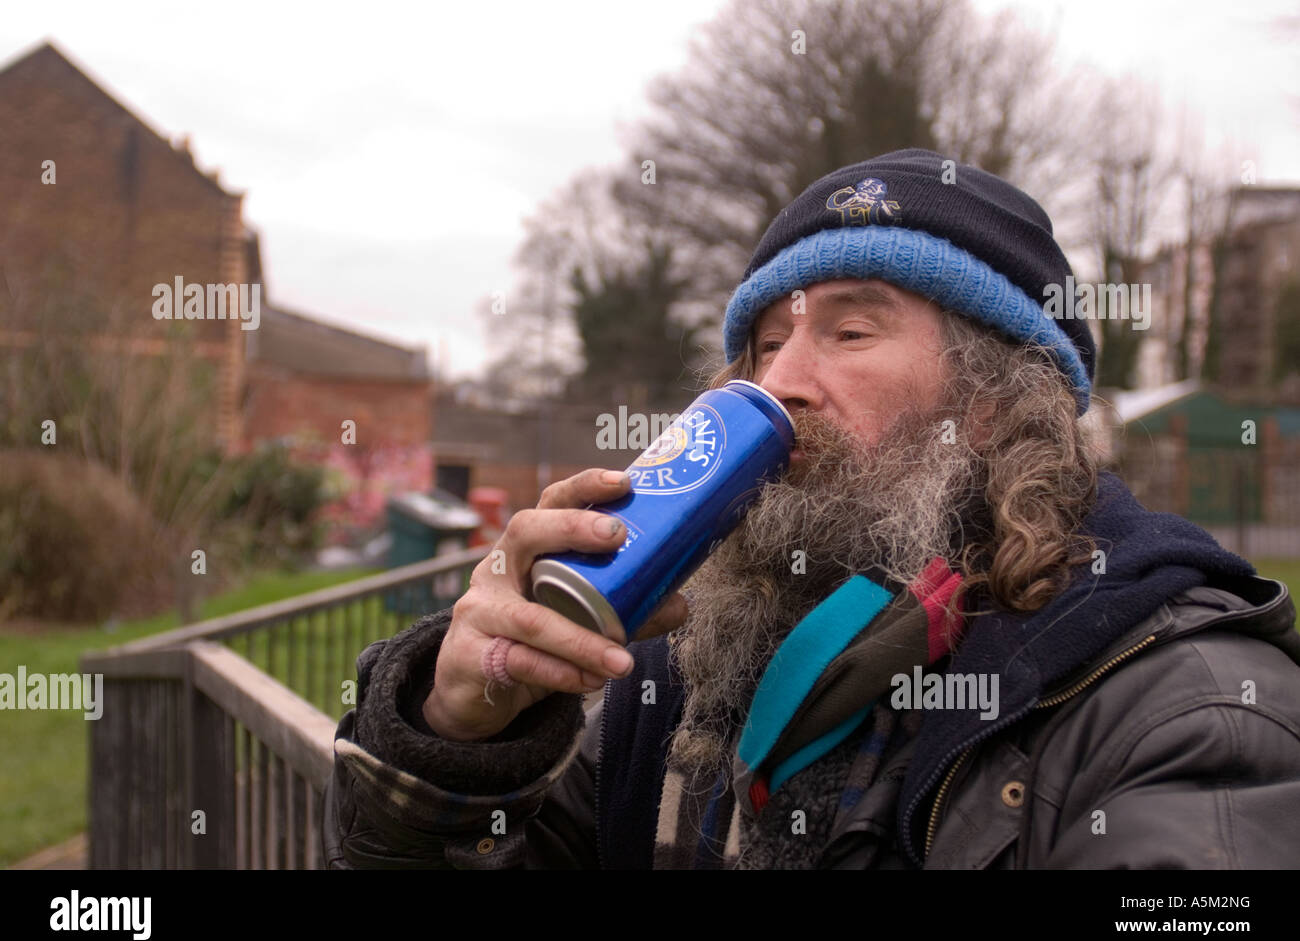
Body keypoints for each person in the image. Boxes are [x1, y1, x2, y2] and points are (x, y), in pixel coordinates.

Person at [322, 149, 1300, 869]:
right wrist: (450, 742)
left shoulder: (1182, 698)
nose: (780, 381)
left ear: (996, 401)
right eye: (765, 342)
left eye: (850, 329)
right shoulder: (679, 661)